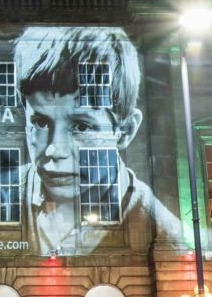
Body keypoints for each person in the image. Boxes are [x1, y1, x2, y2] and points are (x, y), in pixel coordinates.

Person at [13, 26, 181, 255]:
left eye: (81, 126)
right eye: (41, 123)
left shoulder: (167, 233)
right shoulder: (3, 192)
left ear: (126, 130)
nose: (54, 149)